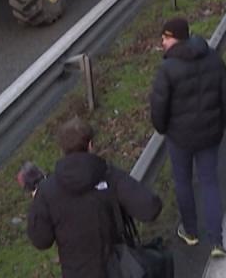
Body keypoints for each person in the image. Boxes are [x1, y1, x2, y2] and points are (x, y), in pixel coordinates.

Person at [27, 117, 163, 277]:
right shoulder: (110, 176)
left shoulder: (47, 190)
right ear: (91, 145)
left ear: (62, 150)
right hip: (113, 271)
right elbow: (150, 208)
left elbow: (41, 240)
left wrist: (37, 205)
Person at [149, 17, 226, 256]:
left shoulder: (167, 69)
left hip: (180, 139)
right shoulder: (212, 57)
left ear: (175, 38)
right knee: (209, 182)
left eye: (165, 38)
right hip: (209, 135)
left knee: (183, 182)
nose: (162, 43)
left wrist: (164, 129)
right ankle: (216, 240)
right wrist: (220, 125)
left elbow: (158, 108)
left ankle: (191, 231)